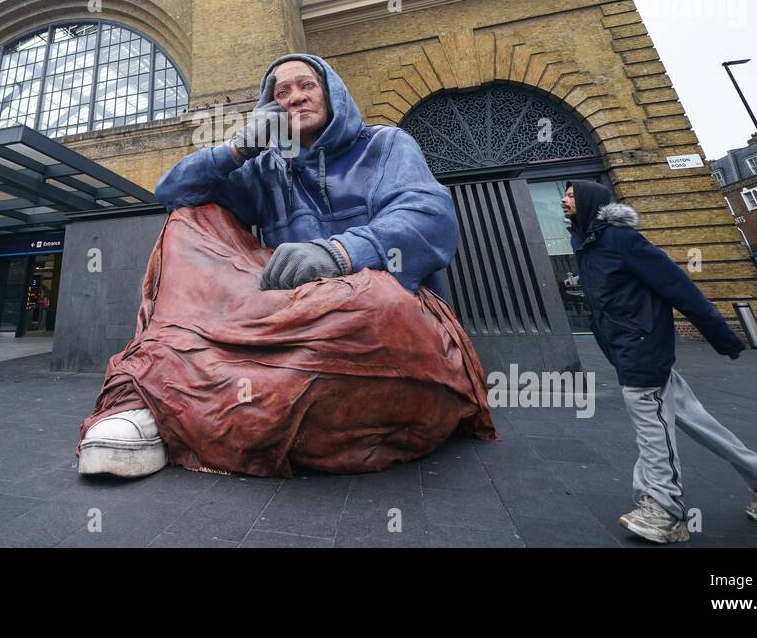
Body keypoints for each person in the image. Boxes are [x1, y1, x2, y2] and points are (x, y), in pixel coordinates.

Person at [76, 53, 495, 478]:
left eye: (306, 85)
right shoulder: (266, 168)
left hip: (376, 309)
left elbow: (429, 219)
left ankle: (177, 412)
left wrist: (339, 254)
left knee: (380, 301)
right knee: (189, 220)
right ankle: (150, 402)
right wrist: (237, 149)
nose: (295, 98)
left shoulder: (386, 145)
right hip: (286, 312)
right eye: (281, 93)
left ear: (331, 93)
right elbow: (172, 193)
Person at [563, 180, 757, 544]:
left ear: (589, 201)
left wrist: (723, 337)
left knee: (652, 429)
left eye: (570, 195)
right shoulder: (588, 245)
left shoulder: (622, 240)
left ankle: (665, 510)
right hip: (627, 349)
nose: (563, 201)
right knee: (697, 421)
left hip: (642, 349)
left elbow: (678, 286)